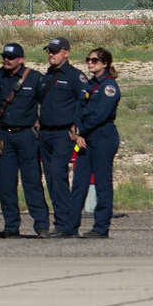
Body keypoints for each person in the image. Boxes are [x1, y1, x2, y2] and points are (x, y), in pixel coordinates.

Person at [0, 42, 49, 238]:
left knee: (32, 182)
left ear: (20, 59)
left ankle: (41, 224)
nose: (6, 60)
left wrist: (42, 124)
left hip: (26, 136)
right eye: (4, 57)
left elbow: (49, 103)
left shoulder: (34, 78)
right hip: (4, 137)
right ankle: (11, 226)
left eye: (11, 57)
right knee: (6, 183)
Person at [37, 36, 89, 238]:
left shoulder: (75, 77)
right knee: (51, 178)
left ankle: (68, 223)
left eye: (55, 51)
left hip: (63, 134)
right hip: (45, 134)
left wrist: (78, 130)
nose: (51, 54)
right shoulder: (46, 76)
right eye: (49, 51)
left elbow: (85, 103)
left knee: (59, 175)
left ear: (66, 53)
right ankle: (61, 222)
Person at [69, 47, 122, 239]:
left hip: (102, 137)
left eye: (94, 61)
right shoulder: (88, 84)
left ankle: (101, 227)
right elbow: (78, 109)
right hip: (84, 138)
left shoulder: (109, 87)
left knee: (102, 183)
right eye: (88, 60)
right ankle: (70, 225)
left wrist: (82, 130)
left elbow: (100, 115)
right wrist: (77, 132)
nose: (90, 63)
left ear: (105, 64)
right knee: (79, 182)